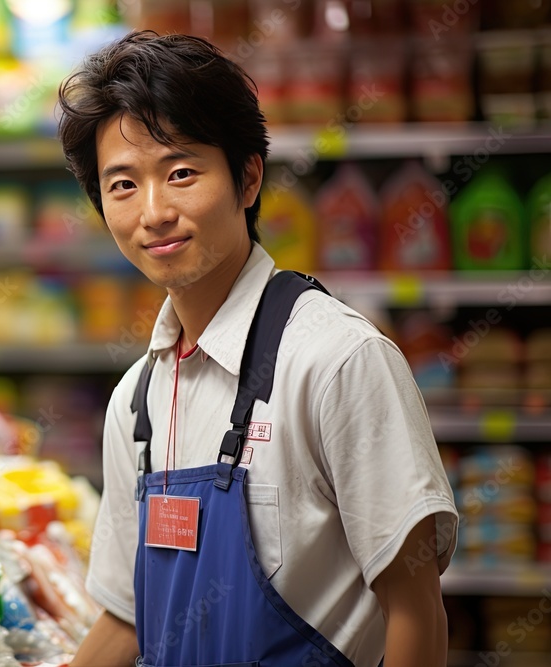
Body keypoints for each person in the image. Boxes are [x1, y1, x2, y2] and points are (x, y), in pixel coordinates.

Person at [56, 31, 458, 667]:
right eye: (123, 185)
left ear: (247, 179)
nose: (153, 212)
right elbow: (127, 622)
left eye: (181, 172)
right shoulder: (137, 400)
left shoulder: (337, 360)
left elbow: (415, 611)